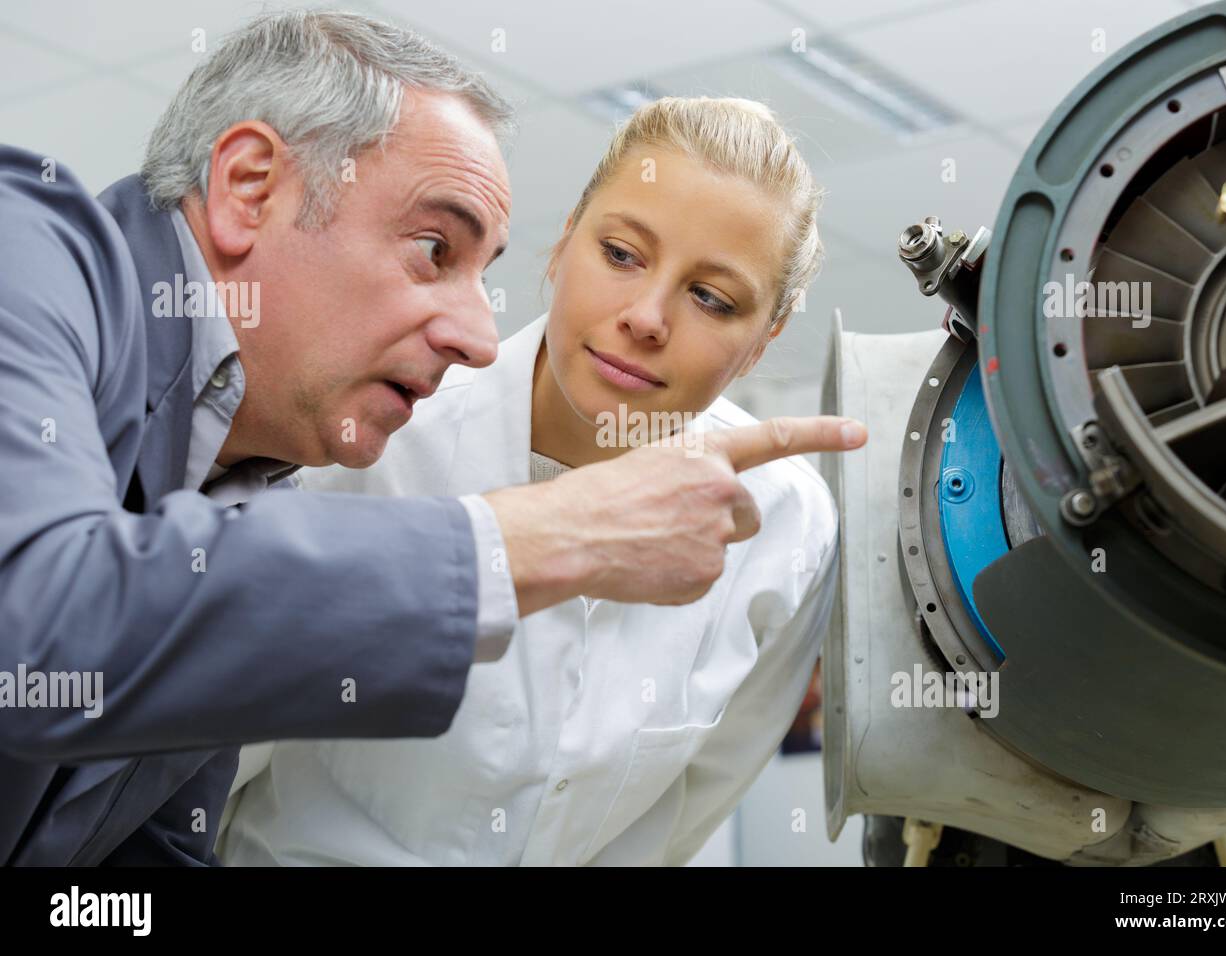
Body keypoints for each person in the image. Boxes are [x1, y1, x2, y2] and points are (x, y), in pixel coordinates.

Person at [0, 12, 864, 866]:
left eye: (714, 299)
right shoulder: (26, 251)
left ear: (765, 336)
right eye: (431, 248)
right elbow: (38, 628)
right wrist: (552, 536)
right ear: (250, 185)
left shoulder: (250, 466)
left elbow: (137, 850)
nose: (476, 338)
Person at [221, 97, 840, 866]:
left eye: (712, 299)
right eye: (621, 254)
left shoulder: (785, 525)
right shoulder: (367, 441)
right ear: (562, 242)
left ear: (763, 341)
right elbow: (205, 773)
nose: (647, 316)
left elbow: (678, 820)